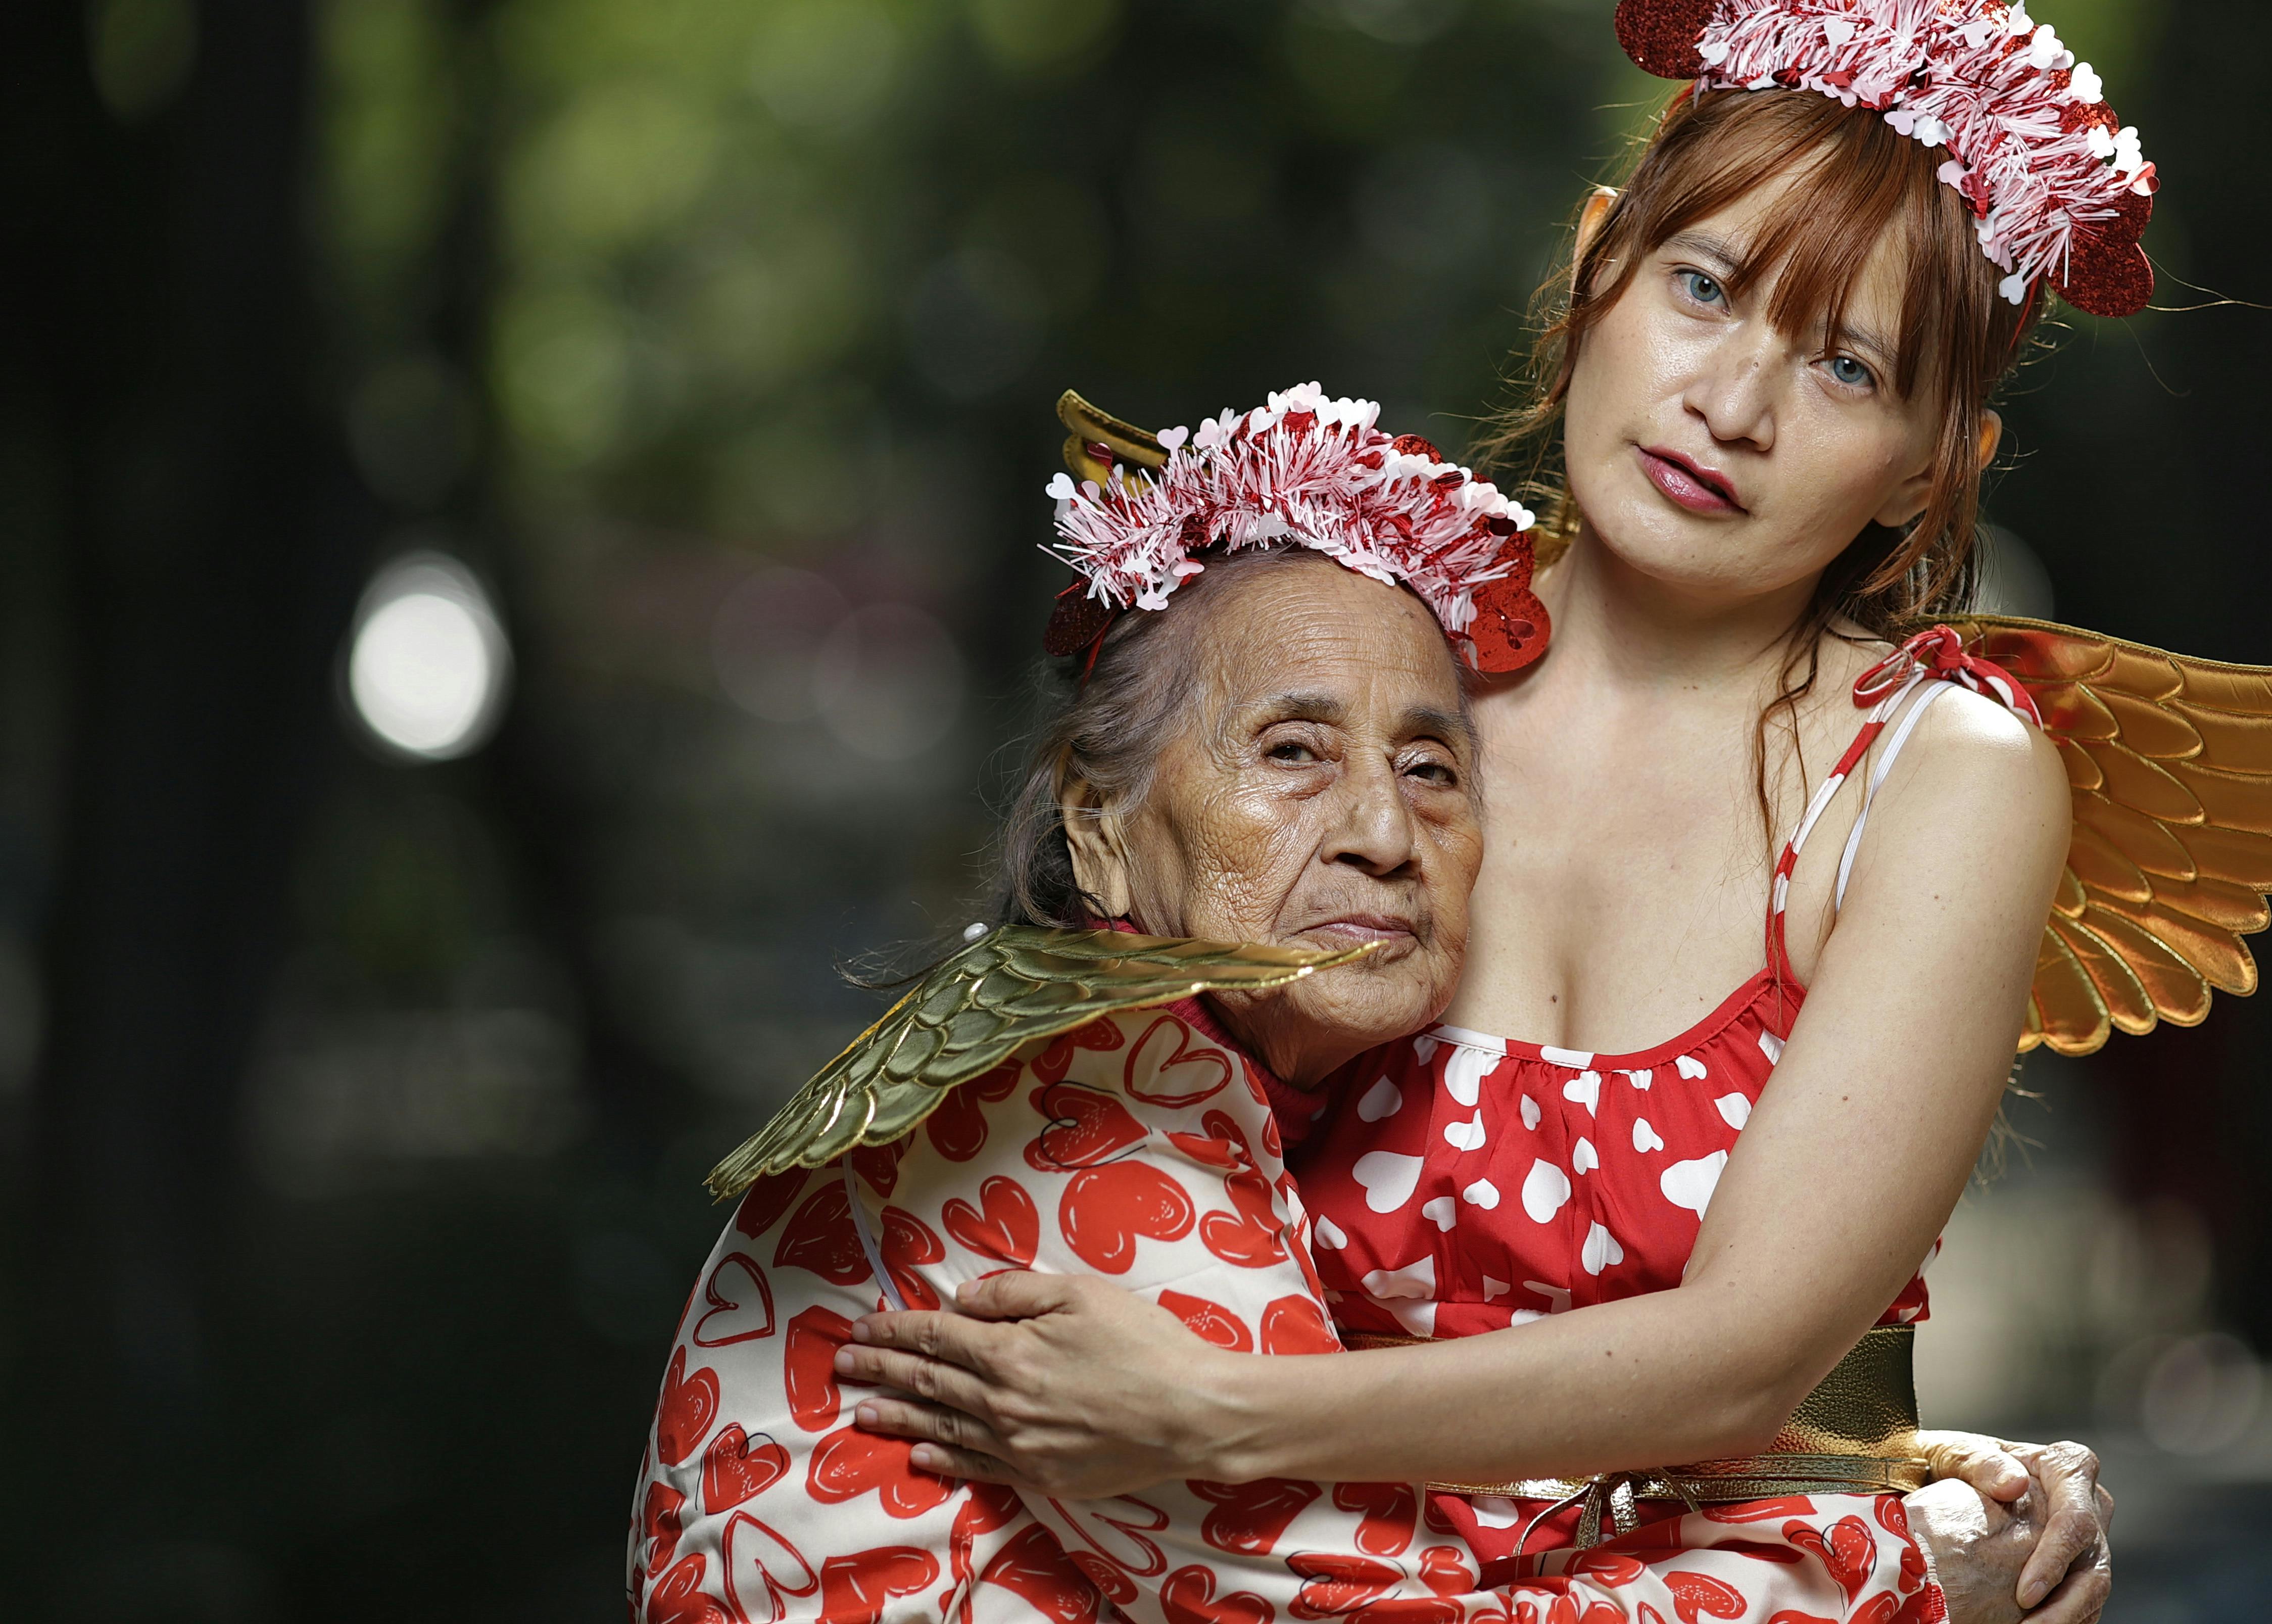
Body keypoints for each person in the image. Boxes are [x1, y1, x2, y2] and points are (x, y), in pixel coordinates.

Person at [837, 0, 2272, 1624]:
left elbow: (1745, 1361)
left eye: (1847, 366)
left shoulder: (1940, 775)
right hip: (1254, 1575)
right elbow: (1091, 1134)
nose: (1735, 404)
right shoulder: (1354, 656)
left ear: (1931, 464)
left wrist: (1210, 1414)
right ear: (1600, 261)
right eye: (1703, 287)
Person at [627, 405, 2000, 1623]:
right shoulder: (1075, 1121)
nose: (1382, 833)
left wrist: (1870, 1463)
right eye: (1291, 752)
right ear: (1099, 825)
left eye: (1431, 767)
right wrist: (1921, 1571)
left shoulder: (1200, 1080)